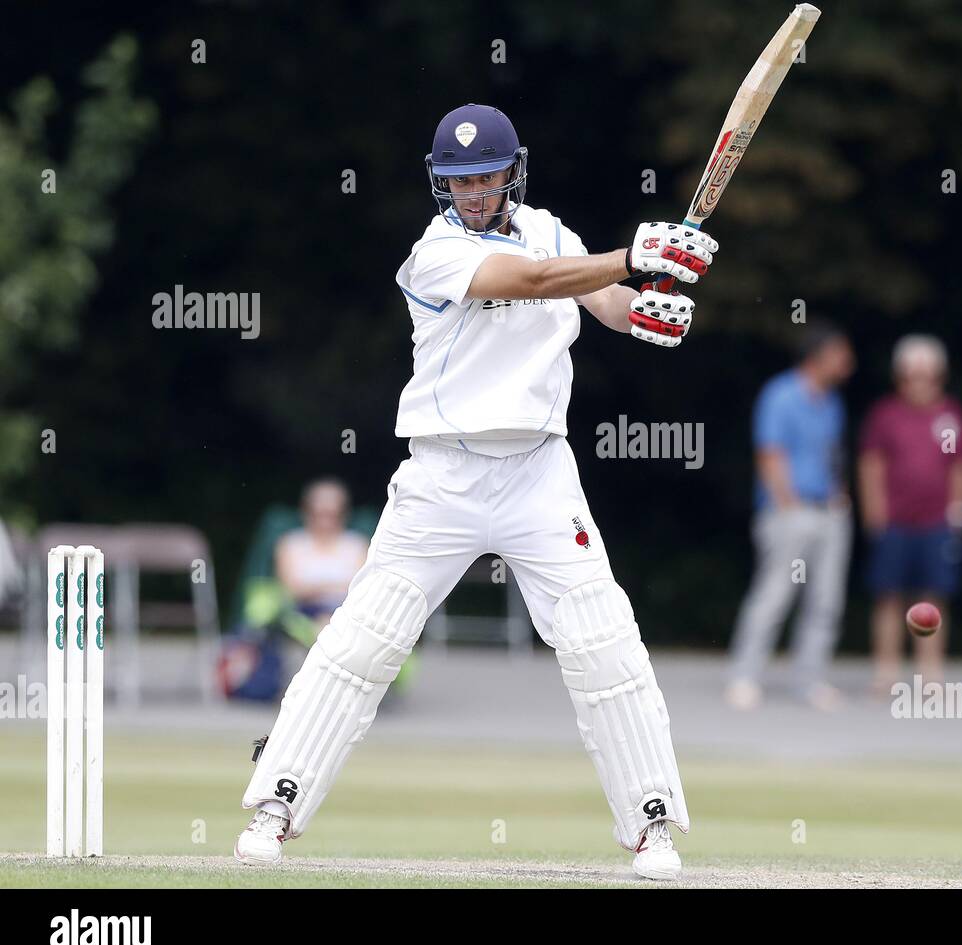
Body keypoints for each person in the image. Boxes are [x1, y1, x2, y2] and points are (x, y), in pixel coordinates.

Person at [235, 104, 721, 881]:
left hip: (539, 471)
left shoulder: (552, 232)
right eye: (459, 181)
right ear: (441, 183)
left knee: (601, 638)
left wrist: (648, 311)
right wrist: (634, 254)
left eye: (486, 177)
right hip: (443, 474)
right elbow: (530, 281)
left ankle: (652, 822)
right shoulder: (433, 253)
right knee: (364, 639)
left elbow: (604, 300)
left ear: (512, 173)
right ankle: (276, 803)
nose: (473, 192)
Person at [724, 324, 856, 712]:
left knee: (826, 600)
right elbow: (770, 453)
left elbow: (832, 454)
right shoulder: (781, 394)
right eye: (840, 353)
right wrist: (788, 503)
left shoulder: (831, 402)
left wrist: (839, 495)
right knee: (774, 595)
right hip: (789, 512)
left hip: (828, 512)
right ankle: (744, 676)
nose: (847, 362)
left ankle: (809, 680)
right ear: (818, 356)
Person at [858, 334, 962, 695]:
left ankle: (930, 673)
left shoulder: (951, 417)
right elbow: (871, 465)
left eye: (928, 375)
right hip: (894, 521)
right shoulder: (885, 416)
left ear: (940, 376)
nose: (920, 383)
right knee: (888, 596)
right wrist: (874, 512)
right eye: (913, 375)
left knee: (934, 598)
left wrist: (961, 513)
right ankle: (886, 672)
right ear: (901, 377)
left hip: (938, 522)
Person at [275, 478, 368, 626]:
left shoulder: (358, 545)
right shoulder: (290, 543)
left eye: (332, 514)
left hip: (350, 617)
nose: (325, 522)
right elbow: (290, 590)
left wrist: (314, 588)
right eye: (319, 514)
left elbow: (362, 589)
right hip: (300, 619)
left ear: (344, 513)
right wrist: (337, 587)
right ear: (306, 512)